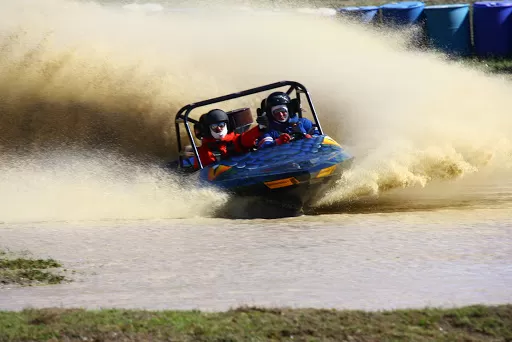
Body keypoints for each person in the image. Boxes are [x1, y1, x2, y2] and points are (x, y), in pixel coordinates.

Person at [192, 108, 262, 168]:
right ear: (208, 130)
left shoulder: (235, 139)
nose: (219, 129)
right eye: (214, 126)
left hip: (245, 170)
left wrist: (260, 128)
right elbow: (201, 175)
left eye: (221, 125)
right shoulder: (203, 152)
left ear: (227, 125)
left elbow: (246, 138)